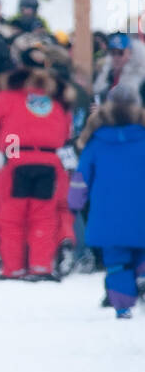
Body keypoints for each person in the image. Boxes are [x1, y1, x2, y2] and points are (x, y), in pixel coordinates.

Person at [0, 64, 73, 280]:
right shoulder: (56, 102)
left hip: (16, 159)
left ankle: (13, 268)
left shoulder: (7, 97)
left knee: (11, 217)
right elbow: (67, 133)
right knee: (44, 216)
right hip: (49, 162)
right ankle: (40, 266)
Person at [69, 84, 145, 319]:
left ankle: (122, 306)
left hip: (107, 214)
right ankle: (143, 275)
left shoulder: (96, 140)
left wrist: (75, 202)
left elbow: (81, 176)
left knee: (116, 261)